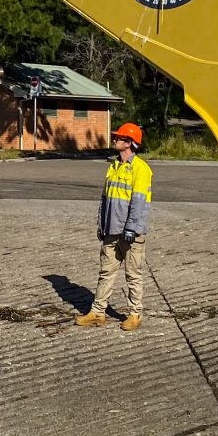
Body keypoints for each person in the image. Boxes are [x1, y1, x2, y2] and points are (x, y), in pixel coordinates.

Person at [78, 122, 152, 330]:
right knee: (106, 272)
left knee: (133, 274)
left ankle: (135, 314)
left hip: (131, 233)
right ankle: (97, 312)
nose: (115, 140)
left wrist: (131, 228)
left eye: (119, 138)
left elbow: (138, 202)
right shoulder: (113, 166)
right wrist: (102, 224)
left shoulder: (141, 169)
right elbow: (105, 199)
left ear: (129, 142)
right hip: (111, 230)